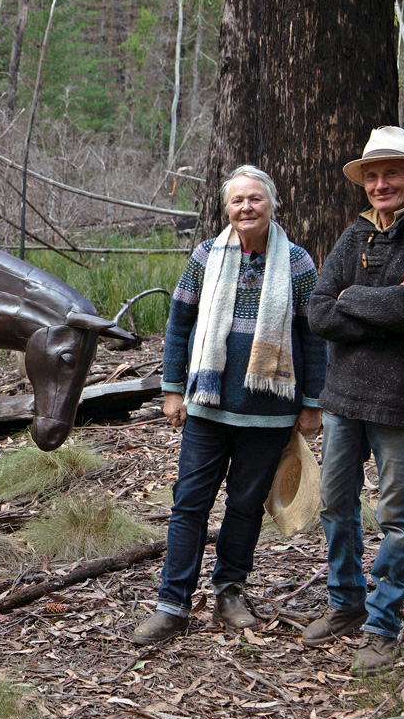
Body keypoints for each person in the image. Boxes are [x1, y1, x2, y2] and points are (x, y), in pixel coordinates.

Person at [132, 165, 327, 645]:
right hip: (207, 405)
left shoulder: (297, 262)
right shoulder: (206, 256)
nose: (246, 208)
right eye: (237, 200)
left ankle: (229, 592)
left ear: (272, 205)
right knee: (190, 503)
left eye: (255, 199)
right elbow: (179, 323)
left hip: (269, 410)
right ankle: (171, 604)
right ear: (227, 208)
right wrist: (172, 388)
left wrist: (312, 404)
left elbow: (314, 336)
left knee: (244, 505)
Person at [301, 126, 404, 671]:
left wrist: (356, 298)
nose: (380, 183)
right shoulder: (352, 239)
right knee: (334, 505)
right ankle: (345, 604)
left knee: (396, 515)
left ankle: (383, 622)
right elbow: (319, 312)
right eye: (371, 175)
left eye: (391, 172)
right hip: (342, 397)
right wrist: (382, 298)